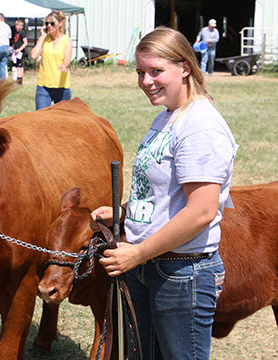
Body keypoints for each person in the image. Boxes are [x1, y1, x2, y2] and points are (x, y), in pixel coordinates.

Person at [91, 26, 237, 359]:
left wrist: (137, 254)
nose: (146, 81)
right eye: (141, 72)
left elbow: (201, 211)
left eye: (156, 71)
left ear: (185, 67)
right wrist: (127, 211)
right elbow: (163, 192)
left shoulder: (200, 125)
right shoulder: (167, 117)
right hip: (152, 265)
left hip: (181, 273)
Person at [30, 10, 72, 110]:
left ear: (60, 24)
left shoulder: (66, 40)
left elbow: (67, 58)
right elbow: (34, 55)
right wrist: (42, 37)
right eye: (47, 23)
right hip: (43, 87)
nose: (49, 26)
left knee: (62, 121)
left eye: (52, 23)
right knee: (41, 118)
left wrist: (64, 65)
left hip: (61, 87)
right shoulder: (44, 40)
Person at [11, 18, 28, 85]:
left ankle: (19, 81)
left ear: (22, 26)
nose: (17, 27)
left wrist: (19, 49)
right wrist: (13, 47)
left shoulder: (22, 33)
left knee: (20, 66)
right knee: (16, 66)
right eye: (16, 25)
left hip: (20, 52)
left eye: (18, 25)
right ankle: (17, 79)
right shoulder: (16, 33)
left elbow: (25, 42)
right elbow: (16, 41)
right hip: (15, 52)